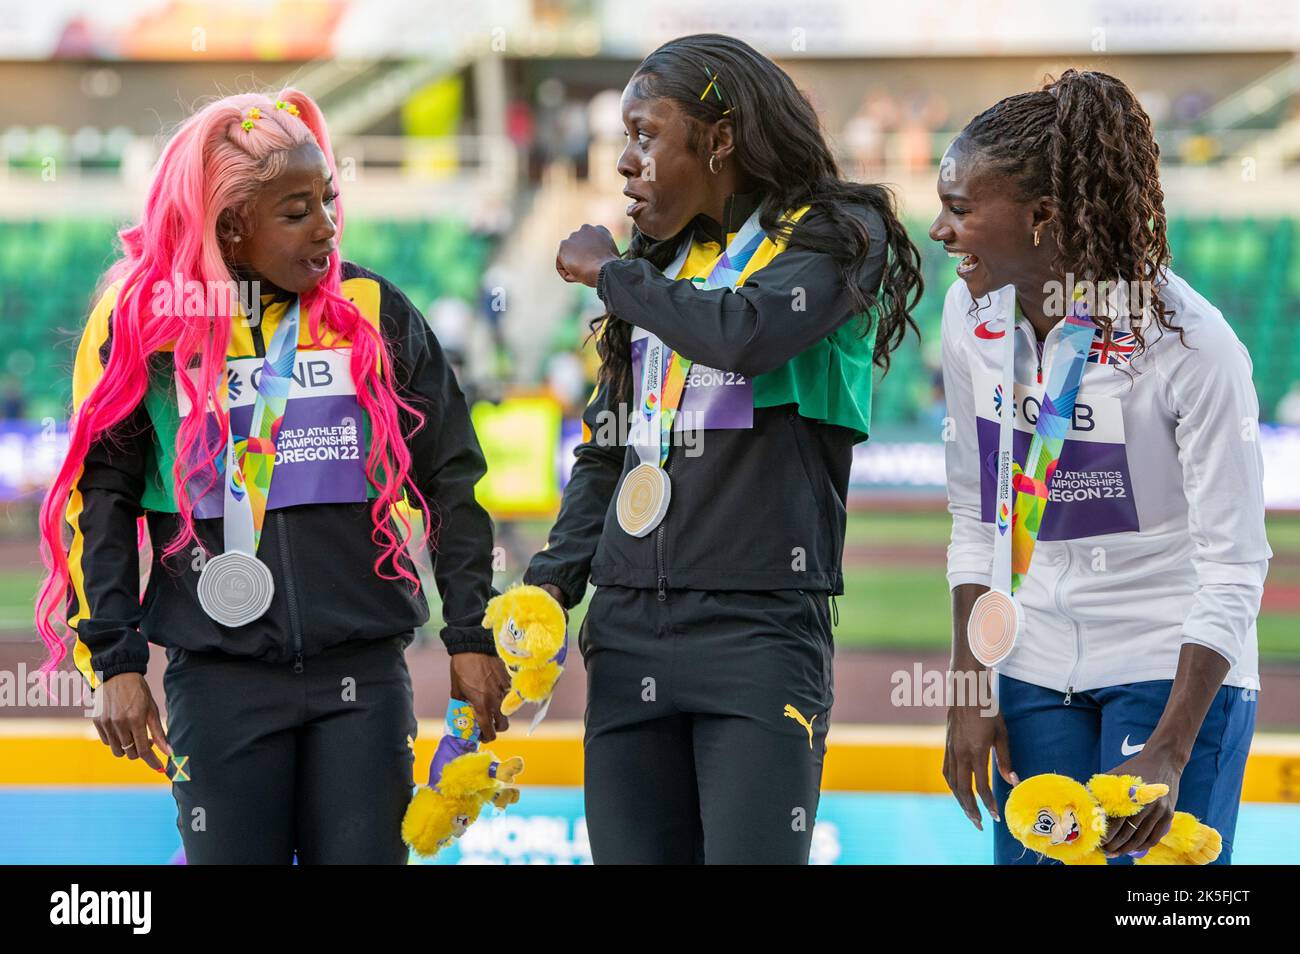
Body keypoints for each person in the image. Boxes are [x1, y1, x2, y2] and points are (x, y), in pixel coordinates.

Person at [35, 89, 508, 864]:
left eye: (328, 199)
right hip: (219, 686)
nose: (326, 224)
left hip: (362, 677)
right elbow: (101, 500)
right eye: (296, 211)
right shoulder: (147, 325)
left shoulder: (372, 309)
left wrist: (469, 633)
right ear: (231, 227)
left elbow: (450, 475)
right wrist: (114, 663)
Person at [523, 34, 923, 864]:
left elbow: (747, 335)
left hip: (758, 634)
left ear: (720, 137)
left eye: (645, 134)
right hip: (628, 629)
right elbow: (609, 450)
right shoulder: (667, 264)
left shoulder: (838, 235)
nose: (626, 164)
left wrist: (611, 276)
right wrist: (546, 593)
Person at [932, 69, 1271, 864]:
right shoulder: (966, 313)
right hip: (1033, 662)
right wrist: (967, 690)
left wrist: (1173, 748)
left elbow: (1235, 564)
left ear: (1043, 216)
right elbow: (978, 517)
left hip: (1170, 668)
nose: (941, 232)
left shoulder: (1190, 344)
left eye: (960, 209)